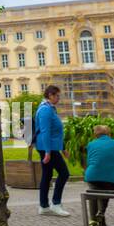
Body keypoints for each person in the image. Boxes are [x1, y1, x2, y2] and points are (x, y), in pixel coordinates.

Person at [35, 85, 70, 216]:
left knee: (47, 175)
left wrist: (63, 148)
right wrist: (48, 152)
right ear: (50, 95)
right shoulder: (45, 110)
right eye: (57, 95)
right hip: (48, 148)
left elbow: (56, 132)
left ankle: (44, 206)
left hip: (50, 147)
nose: (58, 98)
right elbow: (45, 131)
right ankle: (56, 204)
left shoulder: (49, 108)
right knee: (64, 173)